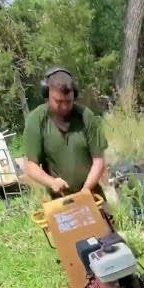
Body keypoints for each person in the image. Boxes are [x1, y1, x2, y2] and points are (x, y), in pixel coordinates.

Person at [21, 68, 107, 200]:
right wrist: (52, 182)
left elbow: (99, 160)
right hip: (60, 200)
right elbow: (31, 166)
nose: (64, 107)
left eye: (68, 102)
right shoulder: (36, 120)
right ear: (47, 94)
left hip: (92, 195)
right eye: (58, 102)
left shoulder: (86, 116)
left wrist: (86, 190)